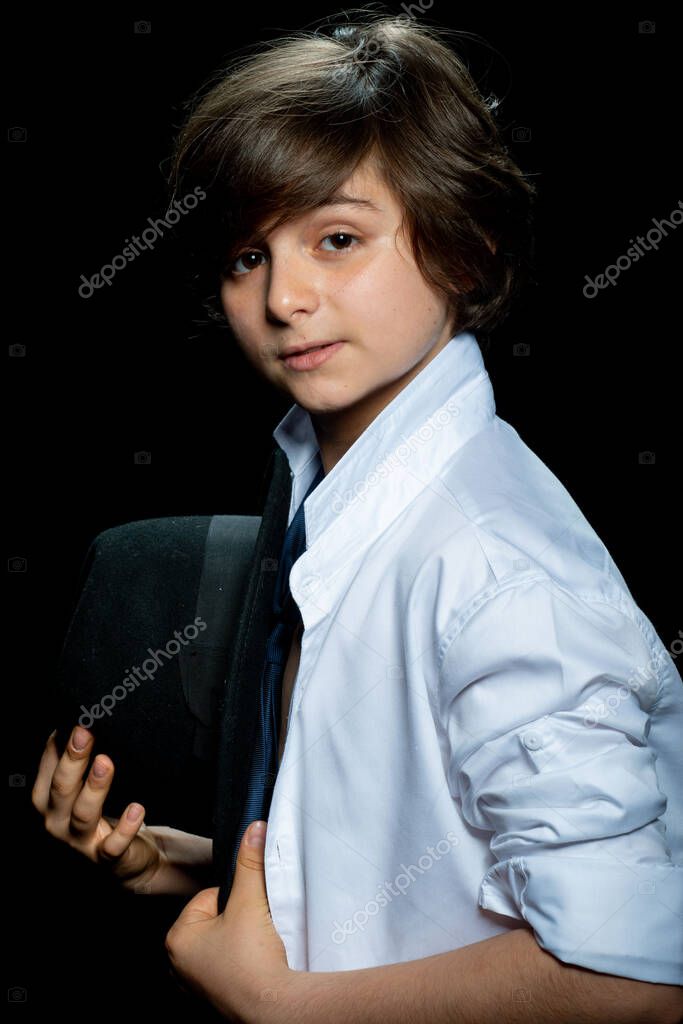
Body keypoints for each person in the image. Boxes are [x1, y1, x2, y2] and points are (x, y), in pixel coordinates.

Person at [32, 10, 683, 1023]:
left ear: (462, 251)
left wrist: (287, 1007)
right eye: (248, 254)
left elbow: (630, 977)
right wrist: (179, 866)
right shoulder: (341, 495)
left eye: (336, 239)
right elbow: (412, 871)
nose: (285, 294)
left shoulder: (492, 566)